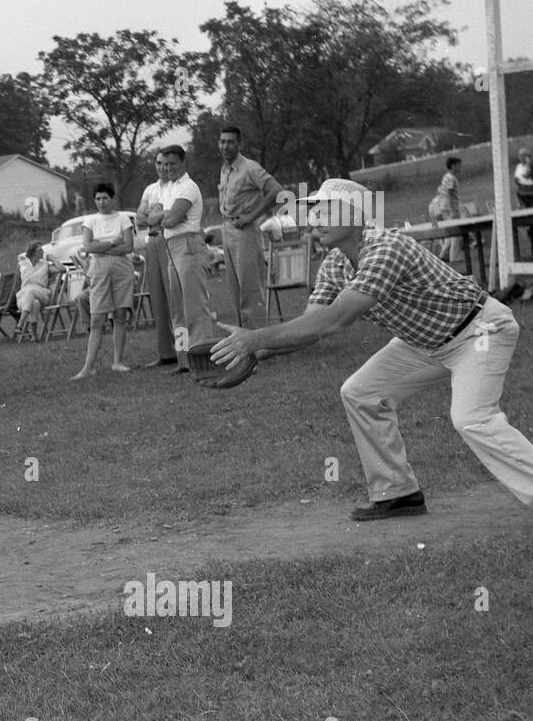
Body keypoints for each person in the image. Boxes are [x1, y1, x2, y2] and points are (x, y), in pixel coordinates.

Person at [212, 178, 533, 519]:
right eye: (313, 210)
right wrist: (256, 351)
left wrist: (256, 337)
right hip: (425, 340)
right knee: (360, 393)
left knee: (471, 418)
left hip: (479, 331)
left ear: (355, 214)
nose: (314, 218)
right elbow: (312, 324)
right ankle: (397, 493)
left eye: (325, 209)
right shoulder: (335, 264)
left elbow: (335, 320)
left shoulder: (386, 248)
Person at [147, 145, 216, 371]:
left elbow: (169, 220)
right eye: (164, 164)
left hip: (188, 244)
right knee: (177, 310)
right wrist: (164, 215)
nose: (168, 169)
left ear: (183, 163)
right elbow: (150, 220)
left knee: (195, 306)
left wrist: (163, 215)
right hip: (170, 246)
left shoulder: (188, 187)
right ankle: (185, 359)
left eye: (172, 164)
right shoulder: (168, 189)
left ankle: (204, 358)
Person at [217, 125, 282, 329]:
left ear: (239, 144)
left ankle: (260, 342)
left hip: (245, 232)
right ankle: (243, 339)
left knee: (250, 289)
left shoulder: (250, 168)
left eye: (230, 142)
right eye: (222, 142)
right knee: (235, 289)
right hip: (227, 230)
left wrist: (251, 216)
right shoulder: (225, 169)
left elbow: (276, 191)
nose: (225, 146)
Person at [71, 184, 135, 378]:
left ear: (112, 199)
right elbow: (88, 247)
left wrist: (102, 247)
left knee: (120, 315)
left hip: (122, 269)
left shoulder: (123, 219)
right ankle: (88, 367)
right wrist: (112, 243)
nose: (101, 202)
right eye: (98, 199)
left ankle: (117, 361)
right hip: (98, 270)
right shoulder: (90, 221)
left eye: (105, 198)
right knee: (97, 317)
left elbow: (128, 247)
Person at [134, 156, 179, 369]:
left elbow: (170, 215)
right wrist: (156, 214)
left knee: (174, 298)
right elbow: (139, 218)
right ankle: (166, 352)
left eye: (166, 163)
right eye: (158, 164)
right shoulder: (150, 189)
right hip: (151, 241)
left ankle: (183, 350)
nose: (162, 168)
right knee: (158, 299)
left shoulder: (176, 187)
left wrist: (153, 214)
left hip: (169, 239)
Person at [427, 156, 465, 264]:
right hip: (449, 208)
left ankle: (444, 254)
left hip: (444, 207)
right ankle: (455, 256)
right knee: (456, 232)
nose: (460, 167)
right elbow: (449, 192)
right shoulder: (450, 178)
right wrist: (453, 210)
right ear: (453, 166)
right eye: (458, 165)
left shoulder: (446, 177)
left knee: (449, 231)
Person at [15, 242, 52, 336]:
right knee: (34, 303)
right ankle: (35, 336)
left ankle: (20, 322)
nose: (43, 251)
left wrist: (52, 258)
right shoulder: (23, 265)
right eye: (40, 250)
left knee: (30, 292)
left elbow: (62, 269)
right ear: (33, 252)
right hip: (24, 296)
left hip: (42, 293)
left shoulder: (44, 264)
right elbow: (15, 283)